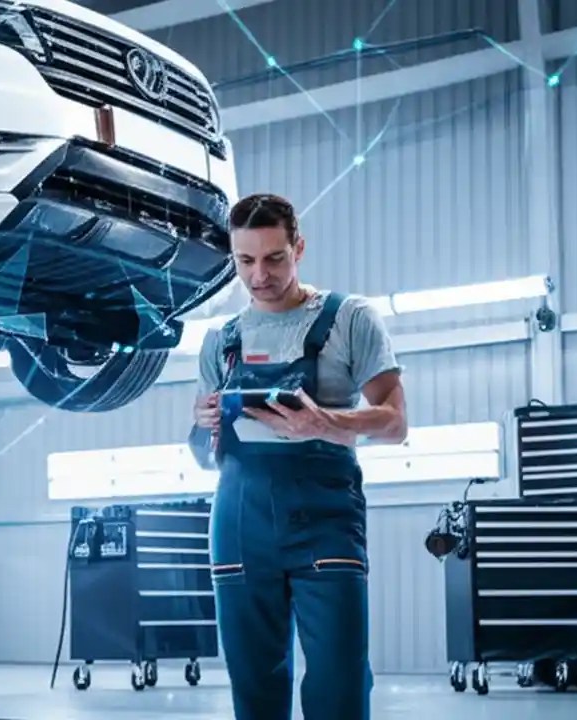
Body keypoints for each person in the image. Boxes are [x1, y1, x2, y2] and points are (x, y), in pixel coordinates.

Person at [188, 193, 407, 720]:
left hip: (324, 519)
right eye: (245, 261)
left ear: (298, 248)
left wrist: (325, 423)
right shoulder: (223, 340)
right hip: (239, 519)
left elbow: (396, 422)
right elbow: (201, 456)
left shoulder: (349, 318)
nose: (259, 275)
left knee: (339, 683)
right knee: (254, 686)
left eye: (274, 258)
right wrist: (203, 427)